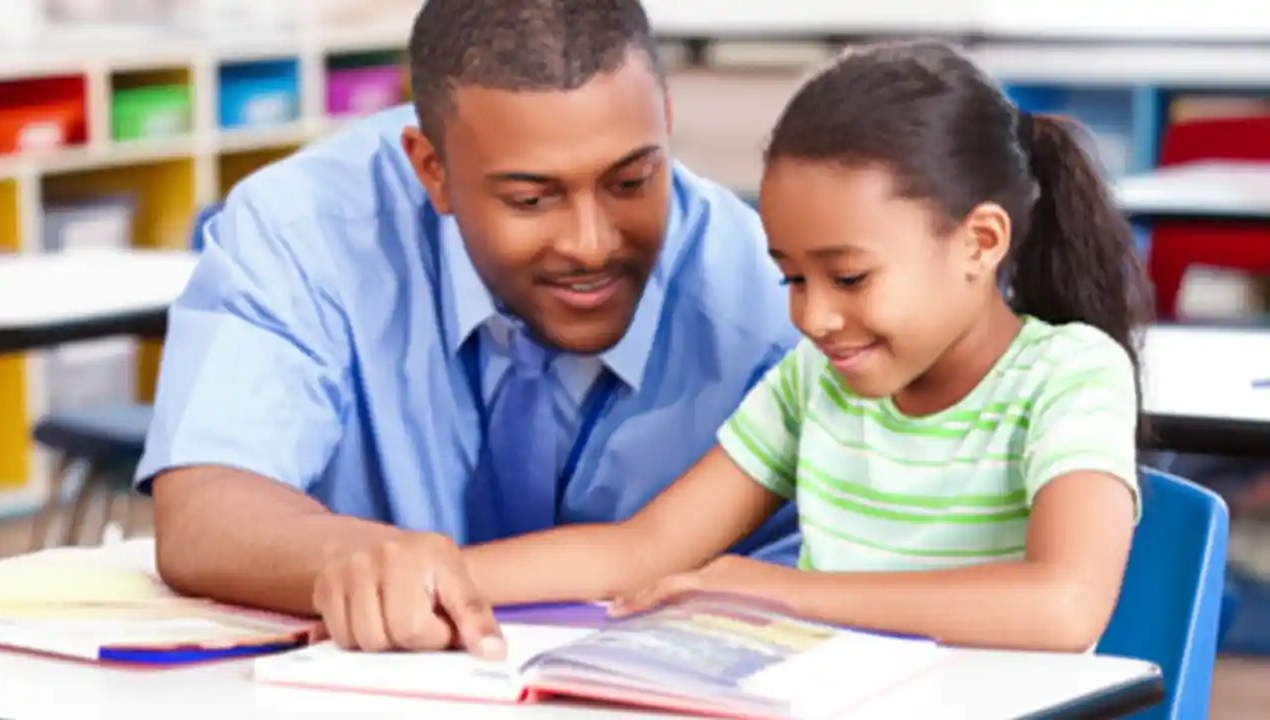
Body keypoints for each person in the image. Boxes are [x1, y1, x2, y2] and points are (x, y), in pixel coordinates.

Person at [134, 0, 803, 657]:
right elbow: (206, 509)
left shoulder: (778, 305)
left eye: (630, 181)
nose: (591, 243)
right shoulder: (303, 231)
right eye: (530, 200)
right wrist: (355, 560)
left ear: (665, 122)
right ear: (433, 170)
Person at [460, 38, 1155, 653]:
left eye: (848, 276)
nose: (814, 317)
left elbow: (1063, 606)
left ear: (980, 242)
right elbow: (642, 550)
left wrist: (783, 594)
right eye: (793, 276)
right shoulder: (814, 383)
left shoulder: (1070, 374)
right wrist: (436, 575)